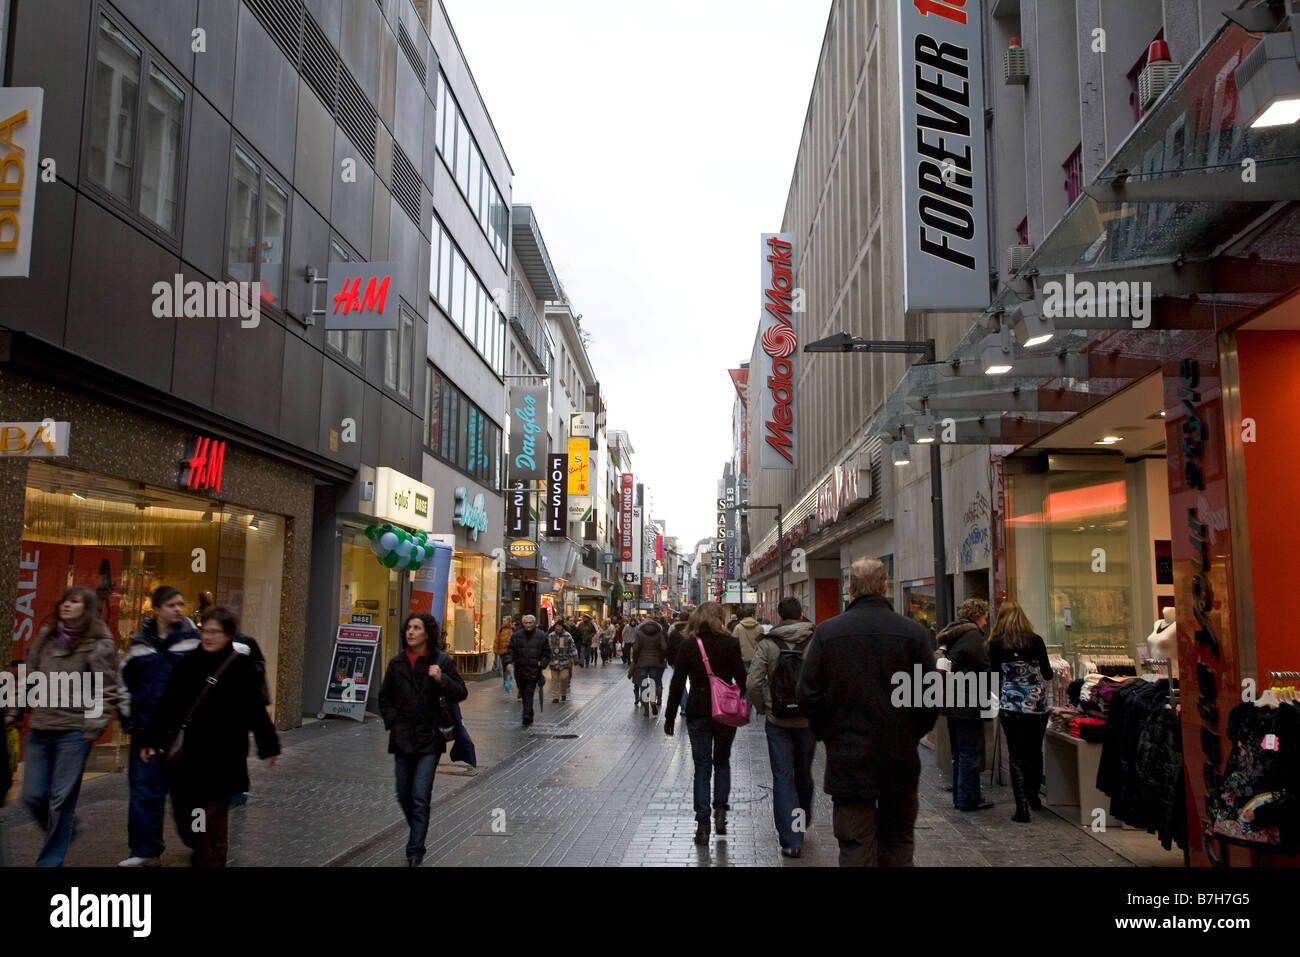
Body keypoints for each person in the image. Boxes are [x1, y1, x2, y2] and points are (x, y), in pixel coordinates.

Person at [796, 558, 937, 867]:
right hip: (898, 759)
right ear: (884, 585)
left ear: (851, 588)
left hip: (849, 759)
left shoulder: (828, 634)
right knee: (898, 845)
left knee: (856, 846)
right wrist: (909, 734)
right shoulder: (913, 634)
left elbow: (807, 695)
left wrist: (829, 734)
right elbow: (929, 699)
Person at [140, 605, 278, 867]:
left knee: (213, 820)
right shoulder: (189, 664)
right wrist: (151, 739)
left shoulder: (241, 667)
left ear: (228, 635)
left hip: (224, 757)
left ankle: (210, 857)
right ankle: (198, 843)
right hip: (189, 757)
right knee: (189, 815)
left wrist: (268, 745)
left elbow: (255, 711)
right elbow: (168, 704)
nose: (209, 637)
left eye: (216, 632)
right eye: (206, 631)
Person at [7, 587, 121, 867]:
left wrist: (92, 728)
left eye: (75, 602)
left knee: (61, 800)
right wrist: (15, 710)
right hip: (42, 727)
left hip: (73, 732)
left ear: (87, 608)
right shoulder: (48, 637)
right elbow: (31, 678)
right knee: (33, 795)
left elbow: (106, 689)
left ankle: (49, 860)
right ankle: (64, 832)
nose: (67, 605)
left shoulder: (97, 644)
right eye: (65, 600)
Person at [117, 586, 201, 867]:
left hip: (183, 732)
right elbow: (123, 684)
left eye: (181, 604)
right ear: (157, 609)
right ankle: (145, 851)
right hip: (147, 731)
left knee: (187, 794)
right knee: (144, 791)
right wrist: (130, 722)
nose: (179, 609)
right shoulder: (139, 644)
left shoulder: (193, 641)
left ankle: (197, 840)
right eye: (172, 605)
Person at [377, 612, 467, 865]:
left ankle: (415, 849)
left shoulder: (441, 662)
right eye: (408, 628)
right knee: (403, 794)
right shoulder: (397, 664)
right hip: (402, 738)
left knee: (419, 796)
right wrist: (393, 721)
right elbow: (385, 698)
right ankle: (418, 827)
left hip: (429, 739)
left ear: (427, 633)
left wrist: (441, 678)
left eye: (416, 628)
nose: (410, 632)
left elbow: (461, 692)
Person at [664, 603, 747, 846]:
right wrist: (744, 702)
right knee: (722, 762)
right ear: (720, 618)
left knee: (702, 768)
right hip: (725, 712)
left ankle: (703, 823)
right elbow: (742, 679)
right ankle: (721, 812)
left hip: (698, 711)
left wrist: (670, 716)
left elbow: (677, 683)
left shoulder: (689, 644)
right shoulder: (730, 643)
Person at [747, 596, 816, 858]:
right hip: (808, 719)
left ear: (778, 615)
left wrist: (763, 706)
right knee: (804, 772)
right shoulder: (814, 639)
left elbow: (753, 683)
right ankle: (803, 819)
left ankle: (791, 840)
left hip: (777, 719)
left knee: (783, 776)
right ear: (801, 614)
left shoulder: (768, 643)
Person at [987, 600, 1052, 823]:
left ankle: (1021, 806)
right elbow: (1049, 673)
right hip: (1036, 703)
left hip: (1011, 704)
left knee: (1016, 754)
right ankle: (1035, 797)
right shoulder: (1035, 640)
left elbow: (994, 677)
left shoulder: (995, 644)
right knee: (1035, 751)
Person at [937, 598, 993, 812]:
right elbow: (984, 668)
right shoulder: (972, 637)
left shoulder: (954, 635)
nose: (986, 622)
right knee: (969, 751)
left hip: (952, 700)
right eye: (985, 617)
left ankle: (961, 797)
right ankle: (969, 798)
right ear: (978, 615)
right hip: (967, 700)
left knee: (959, 751)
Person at [505, 614, 550, 726]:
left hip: (534, 670)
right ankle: (529, 712)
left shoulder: (541, 636)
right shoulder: (516, 635)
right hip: (520, 669)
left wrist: (542, 664)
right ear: (523, 623)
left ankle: (526, 715)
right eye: (526, 623)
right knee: (523, 692)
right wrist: (508, 662)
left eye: (530, 623)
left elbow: (546, 652)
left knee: (529, 692)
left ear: (534, 623)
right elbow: (510, 650)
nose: (528, 625)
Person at [633, 618, 668, 717]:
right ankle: (653, 701)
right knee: (654, 682)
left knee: (643, 683)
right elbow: (664, 647)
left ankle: (646, 709)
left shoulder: (639, 633)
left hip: (642, 661)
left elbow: (635, 648)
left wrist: (636, 660)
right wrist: (661, 658)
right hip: (656, 661)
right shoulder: (659, 633)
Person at [548, 622, 578, 703]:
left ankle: (563, 692)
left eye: (559, 626)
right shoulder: (551, 635)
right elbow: (546, 648)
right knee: (554, 679)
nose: (558, 628)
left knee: (563, 678)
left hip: (564, 662)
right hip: (553, 661)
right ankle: (555, 696)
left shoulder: (567, 635)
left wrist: (575, 658)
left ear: (562, 627)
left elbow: (572, 647)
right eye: (556, 626)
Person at [732, 607, 763, 672]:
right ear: (752, 615)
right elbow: (762, 643)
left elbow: (733, 642)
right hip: (756, 657)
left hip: (742, 656)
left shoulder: (738, 627)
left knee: (745, 676)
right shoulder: (759, 627)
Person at [495, 617, 514, 682]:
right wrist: (496, 650)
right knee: (504, 666)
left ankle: (507, 679)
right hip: (502, 652)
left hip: (509, 652)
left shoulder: (512, 630)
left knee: (507, 666)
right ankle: (506, 679)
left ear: (509, 622)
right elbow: (497, 640)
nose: (503, 622)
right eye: (503, 621)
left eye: (505, 621)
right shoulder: (501, 630)